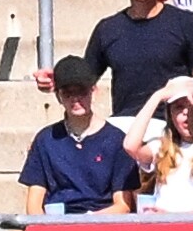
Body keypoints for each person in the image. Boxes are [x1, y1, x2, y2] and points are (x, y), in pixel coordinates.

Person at [58, 0, 193, 123]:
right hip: (125, 125)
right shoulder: (107, 29)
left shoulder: (185, 23)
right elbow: (84, 78)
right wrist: (55, 80)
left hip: (172, 126)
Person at [19, 56, 138, 215]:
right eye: (68, 93)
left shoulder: (116, 140)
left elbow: (123, 205)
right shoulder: (45, 140)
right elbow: (34, 206)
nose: (75, 99)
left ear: (94, 90)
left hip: (103, 221)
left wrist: (88, 222)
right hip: (56, 221)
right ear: (58, 96)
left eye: (82, 91)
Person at [126, 71, 193, 212]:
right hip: (163, 222)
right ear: (170, 115)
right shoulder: (162, 146)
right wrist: (157, 96)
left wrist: (171, 218)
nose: (186, 112)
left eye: (192, 105)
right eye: (178, 107)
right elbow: (130, 146)